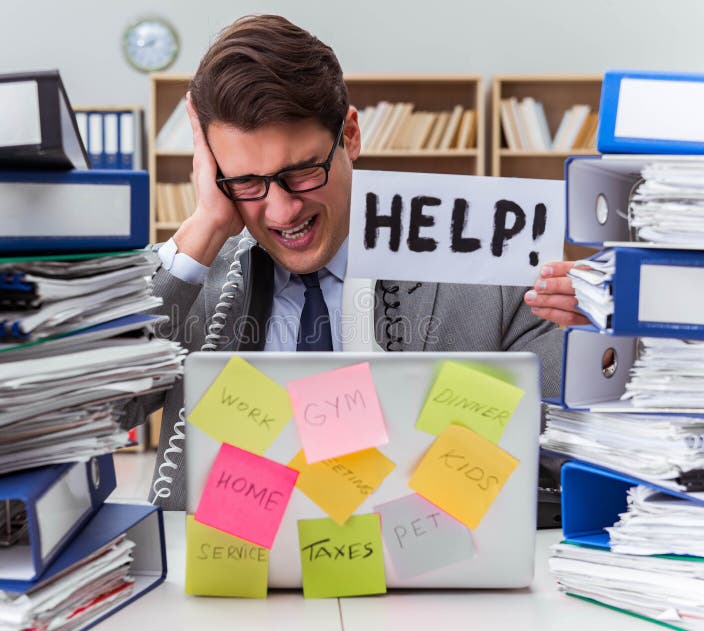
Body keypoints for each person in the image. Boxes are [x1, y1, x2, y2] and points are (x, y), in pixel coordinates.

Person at [122, 14, 570, 510]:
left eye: (302, 172)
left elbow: (570, 453)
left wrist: (600, 341)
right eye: (246, 182)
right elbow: (105, 410)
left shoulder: (489, 275)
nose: (282, 210)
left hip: (423, 569)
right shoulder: (195, 280)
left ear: (350, 136)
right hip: (230, 574)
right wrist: (204, 227)